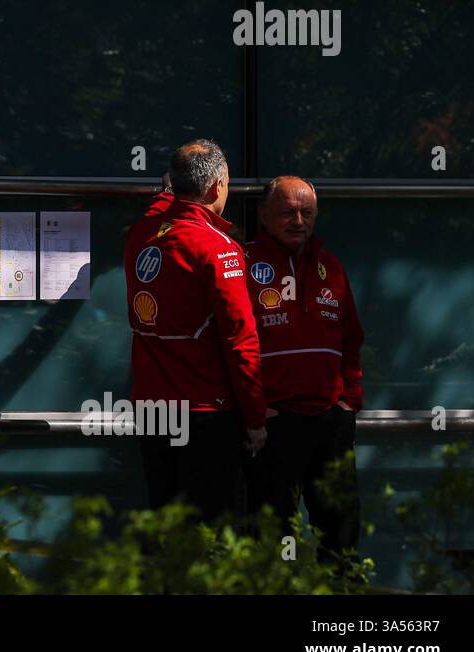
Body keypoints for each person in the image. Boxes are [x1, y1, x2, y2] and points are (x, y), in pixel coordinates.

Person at [124, 139, 267, 520]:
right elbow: (241, 341)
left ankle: (170, 583)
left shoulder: (142, 234)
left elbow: (159, 210)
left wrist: (167, 193)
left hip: (153, 410)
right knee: (211, 532)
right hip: (207, 414)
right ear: (218, 186)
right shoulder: (218, 248)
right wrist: (255, 419)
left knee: (167, 523)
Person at [242, 176, 363, 558]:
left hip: (330, 422)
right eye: (287, 213)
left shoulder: (332, 266)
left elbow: (352, 339)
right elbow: (228, 345)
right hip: (274, 425)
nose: (298, 221)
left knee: (341, 531)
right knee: (274, 537)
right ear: (264, 216)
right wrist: (256, 412)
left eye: (306, 213)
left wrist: (349, 401)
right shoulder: (242, 265)